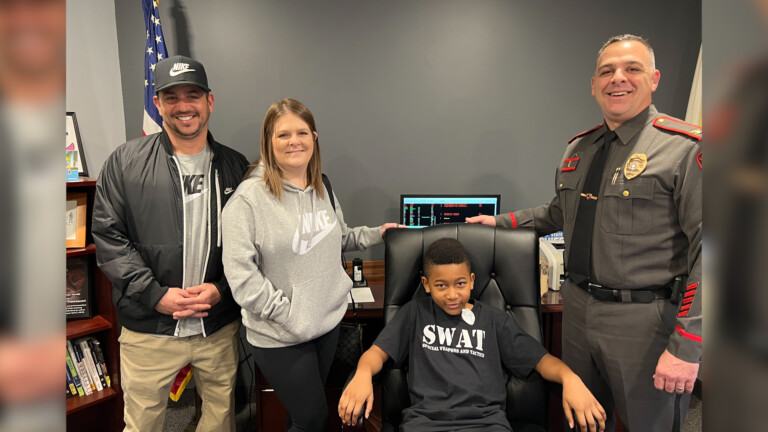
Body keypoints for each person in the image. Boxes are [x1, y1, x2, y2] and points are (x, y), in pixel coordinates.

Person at [468, 34, 702, 431]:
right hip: (577, 313)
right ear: (593, 84)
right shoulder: (579, 148)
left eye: (632, 69)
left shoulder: (682, 148)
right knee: (583, 423)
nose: (618, 79)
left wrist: (688, 344)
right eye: (607, 71)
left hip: (644, 321)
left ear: (654, 79)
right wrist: (501, 222)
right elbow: (561, 213)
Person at [222, 98, 400, 432]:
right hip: (281, 335)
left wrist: (379, 233)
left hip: (325, 324)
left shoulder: (322, 185)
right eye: (283, 135)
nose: (294, 141)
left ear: (314, 138)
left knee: (301, 419)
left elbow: (339, 238)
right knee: (315, 419)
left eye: (302, 132)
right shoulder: (247, 201)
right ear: (268, 142)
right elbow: (242, 280)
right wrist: (289, 314)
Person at [92, 55, 249, 432]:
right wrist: (154, 294)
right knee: (143, 424)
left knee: (219, 420)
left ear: (209, 102)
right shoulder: (125, 163)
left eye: (192, 95)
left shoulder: (236, 167)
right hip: (150, 328)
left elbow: (250, 245)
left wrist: (221, 291)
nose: (183, 106)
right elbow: (109, 237)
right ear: (158, 104)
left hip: (217, 327)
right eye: (171, 97)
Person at [339, 238, 606, 432]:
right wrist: (363, 374)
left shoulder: (494, 320)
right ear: (426, 285)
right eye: (441, 285)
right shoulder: (414, 314)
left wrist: (570, 378)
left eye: (460, 284)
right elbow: (376, 353)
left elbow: (541, 360)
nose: (452, 294)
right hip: (426, 423)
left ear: (473, 281)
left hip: (486, 423)